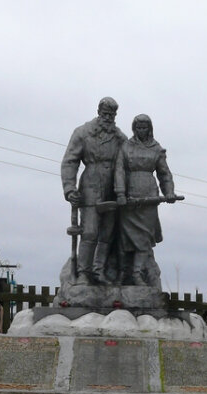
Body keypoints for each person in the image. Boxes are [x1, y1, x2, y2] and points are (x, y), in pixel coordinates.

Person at [60, 97, 127, 285]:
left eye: (112, 115)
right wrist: (69, 188)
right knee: (89, 232)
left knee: (107, 233)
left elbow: (128, 163)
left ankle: (99, 271)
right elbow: (70, 161)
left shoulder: (120, 137)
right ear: (98, 112)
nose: (108, 118)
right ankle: (83, 273)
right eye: (105, 114)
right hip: (91, 185)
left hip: (113, 187)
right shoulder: (83, 132)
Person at [114, 114, 176, 286]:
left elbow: (164, 173)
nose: (142, 131)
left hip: (150, 196)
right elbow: (119, 169)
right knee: (127, 238)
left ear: (150, 128)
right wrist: (120, 193)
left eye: (145, 127)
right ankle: (124, 273)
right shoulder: (126, 146)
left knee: (145, 237)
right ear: (134, 128)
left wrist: (169, 191)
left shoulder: (156, 148)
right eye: (139, 127)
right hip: (130, 198)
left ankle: (137, 273)